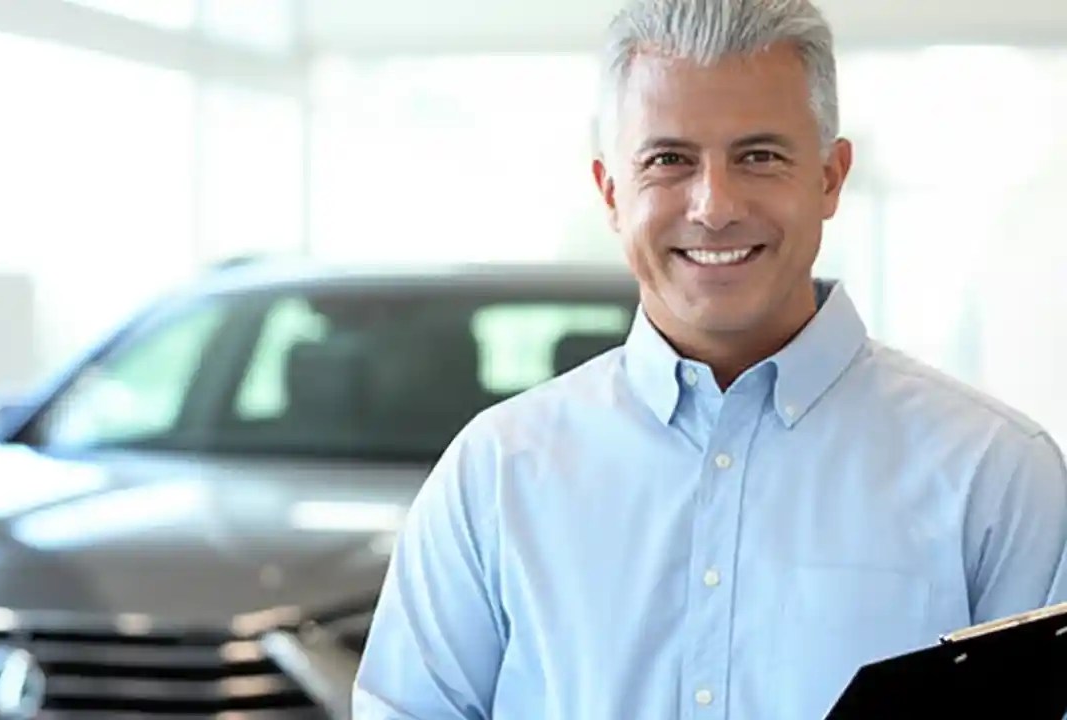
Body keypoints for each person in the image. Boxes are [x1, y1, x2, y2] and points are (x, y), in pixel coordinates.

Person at [353, 0, 1067, 718]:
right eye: (669, 159)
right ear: (610, 190)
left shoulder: (996, 478)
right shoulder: (494, 477)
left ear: (830, 177)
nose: (714, 205)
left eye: (759, 156)